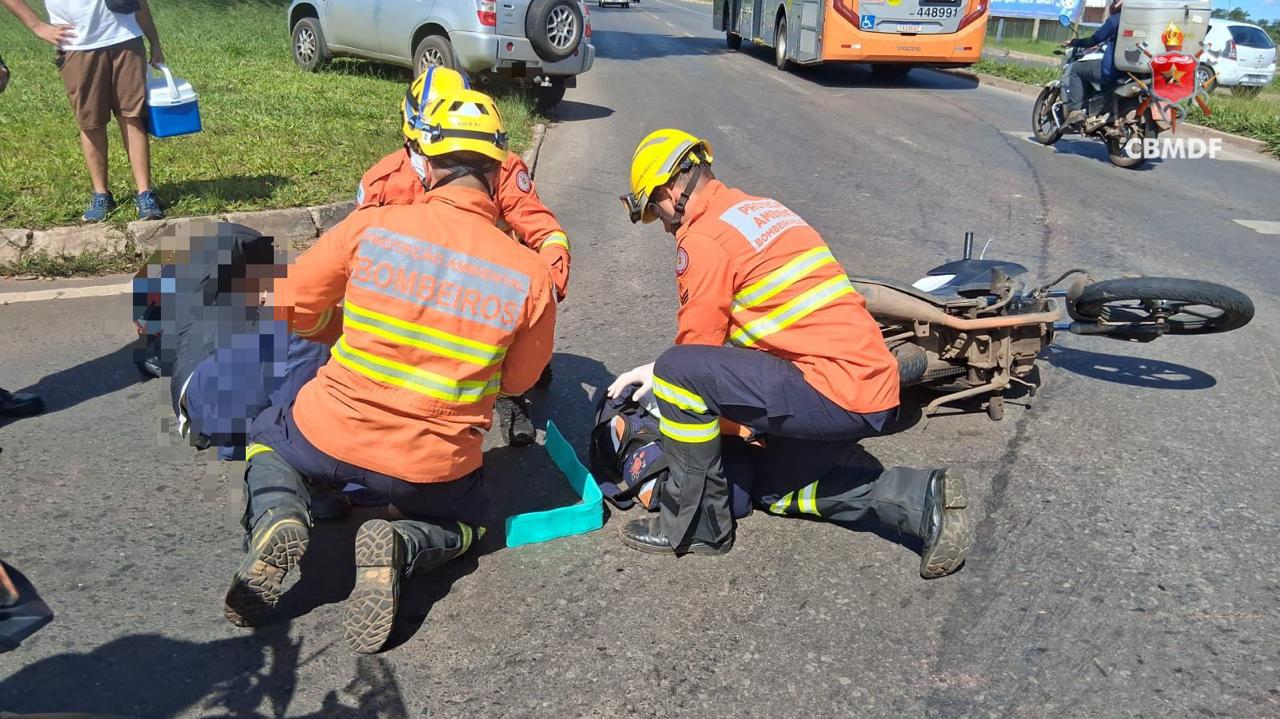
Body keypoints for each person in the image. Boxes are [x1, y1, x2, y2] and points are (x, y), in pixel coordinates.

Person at [223, 88, 557, 654]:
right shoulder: (530, 274)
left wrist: (344, 331)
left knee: (266, 437)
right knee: (470, 524)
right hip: (431, 467)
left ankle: (281, 511)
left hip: (327, 432)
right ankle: (401, 542)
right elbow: (521, 383)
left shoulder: (371, 228)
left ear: (425, 163)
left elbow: (291, 305)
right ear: (499, 171)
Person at [608, 129, 973, 579]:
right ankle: (920, 499)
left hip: (830, 387)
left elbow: (695, 354)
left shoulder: (702, 237)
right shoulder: (760, 209)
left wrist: (660, 388)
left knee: (674, 372)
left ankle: (697, 526)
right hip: (870, 386)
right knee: (772, 491)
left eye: (655, 211)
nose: (663, 225)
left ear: (669, 191)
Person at [356, 65, 571, 447]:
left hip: (486, 292)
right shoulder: (384, 182)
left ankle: (511, 395)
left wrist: (545, 296)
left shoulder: (498, 169)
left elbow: (545, 231)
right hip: (417, 294)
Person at [0, 0, 165, 221]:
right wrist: (37, 26)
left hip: (125, 37)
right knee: (91, 122)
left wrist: (154, 41)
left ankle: (145, 193)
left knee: (132, 117)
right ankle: (101, 194)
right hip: (77, 45)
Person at [1061, 0, 1124, 126]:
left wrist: (1075, 42)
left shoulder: (1116, 20)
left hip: (1111, 71)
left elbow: (1094, 40)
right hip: (1129, 74)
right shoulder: (1147, 24)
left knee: (1076, 69)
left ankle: (1075, 111)